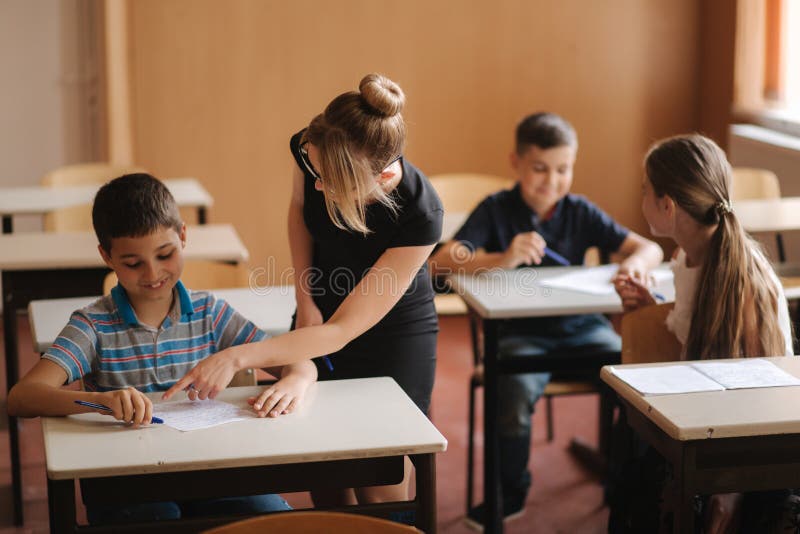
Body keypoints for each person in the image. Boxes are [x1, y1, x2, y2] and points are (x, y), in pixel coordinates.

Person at [164, 73, 443, 509]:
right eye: (315, 170)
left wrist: (236, 355)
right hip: (319, 304)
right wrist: (305, 298)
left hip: (392, 334)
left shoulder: (421, 213)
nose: (318, 185)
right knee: (324, 468)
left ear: (383, 175)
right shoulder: (312, 146)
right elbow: (299, 211)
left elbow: (343, 330)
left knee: (381, 486)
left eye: (331, 180)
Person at [7, 173, 317, 524]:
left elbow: (301, 364)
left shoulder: (209, 313)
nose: (153, 273)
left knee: (276, 522)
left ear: (183, 236)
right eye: (133, 263)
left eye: (165, 254)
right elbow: (22, 397)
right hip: (126, 481)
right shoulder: (93, 325)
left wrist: (295, 381)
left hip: (210, 470)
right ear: (106, 256)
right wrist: (102, 402)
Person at [430, 112, 663, 528]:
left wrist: (637, 266)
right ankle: (512, 489)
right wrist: (503, 258)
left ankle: (625, 477)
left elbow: (647, 247)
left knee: (637, 379)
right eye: (539, 168)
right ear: (515, 163)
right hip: (520, 337)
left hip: (584, 331)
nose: (551, 180)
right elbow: (443, 261)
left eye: (563, 169)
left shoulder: (579, 211)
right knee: (513, 394)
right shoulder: (497, 210)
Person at [611, 134, 793, 533]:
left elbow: (753, 397)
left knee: (633, 455)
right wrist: (650, 309)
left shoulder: (742, 281)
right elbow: (693, 337)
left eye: (645, 191)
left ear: (668, 206)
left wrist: (727, 497)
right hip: (709, 415)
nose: (641, 199)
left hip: (741, 443)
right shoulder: (689, 256)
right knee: (628, 438)